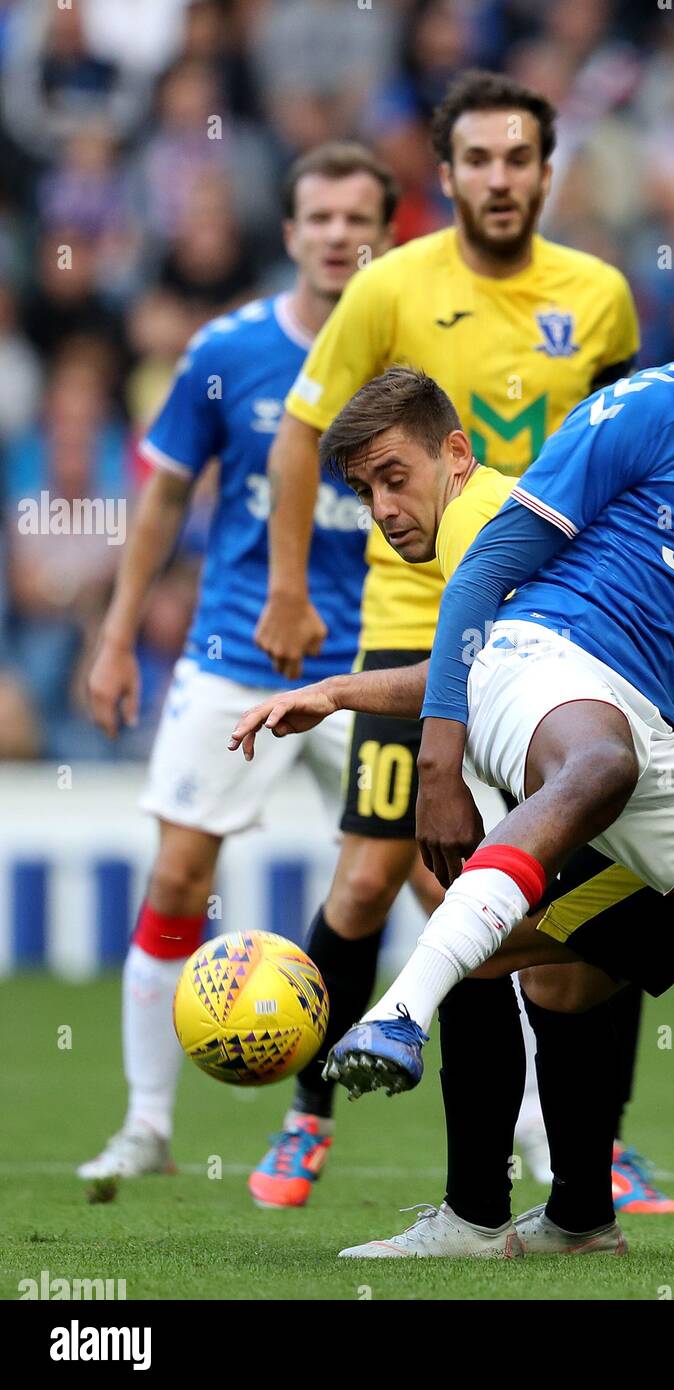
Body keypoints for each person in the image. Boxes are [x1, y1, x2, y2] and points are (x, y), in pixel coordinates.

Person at [327, 210, 674, 1267]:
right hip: (542, 665)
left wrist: (336, 695)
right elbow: (486, 570)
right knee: (597, 775)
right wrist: (440, 762)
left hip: (649, 726)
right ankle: (398, 1014)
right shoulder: (643, 405)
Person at [230, 360, 674, 1258]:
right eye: (362, 490)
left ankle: (473, 1220)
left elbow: (483, 670)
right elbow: (484, 664)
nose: (383, 508)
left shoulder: (481, 523)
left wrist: (434, 765)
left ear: (454, 457)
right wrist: (339, 692)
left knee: (471, 950)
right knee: (559, 973)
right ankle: (580, 1220)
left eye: (396, 476)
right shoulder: (500, 512)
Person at [246, 68, 674, 1218]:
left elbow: (626, 457)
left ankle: (595, 1155)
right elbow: (306, 437)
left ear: (546, 171)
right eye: (475, 160)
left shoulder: (598, 296)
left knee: (584, 875)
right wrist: (289, 590)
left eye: (517, 159)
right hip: (412, 625)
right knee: (389, 873)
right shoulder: (388, 285)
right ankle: (310, 1115)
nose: (497, 177)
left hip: (565, 631)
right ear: (444, 177)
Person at [77, 143, 396, 1181]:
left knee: (454, 880)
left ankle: (546, 1135)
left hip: (374, 659)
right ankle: (145, 1126)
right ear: (292, 232)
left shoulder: (415, 354)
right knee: (177, 870)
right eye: (321, 217)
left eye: (359, 218)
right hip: (236, 650)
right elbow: (166, 493)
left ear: (384, 233)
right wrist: (120, 634)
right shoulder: (228, 348)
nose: (340, 235)